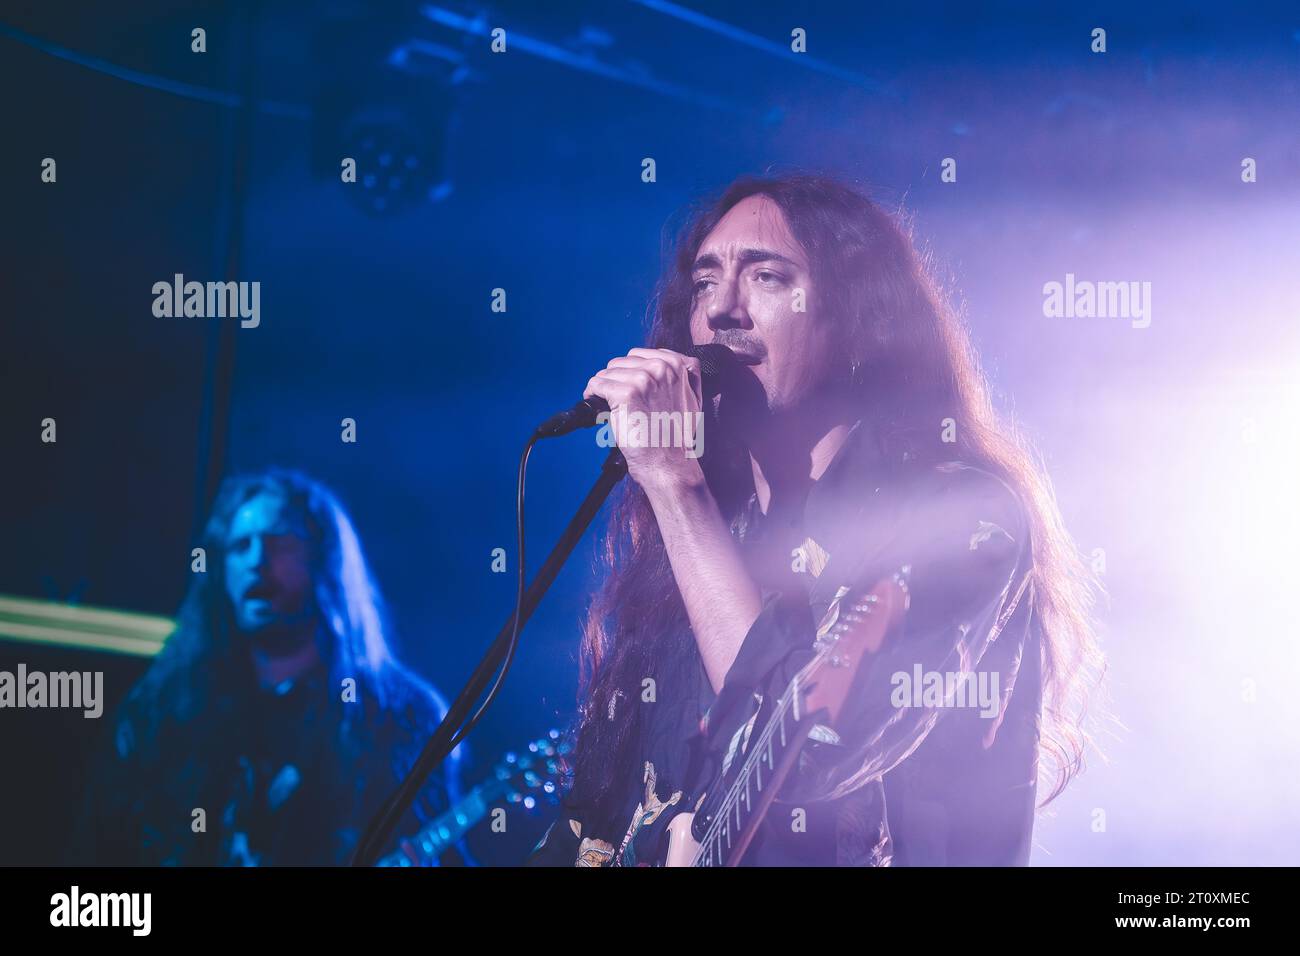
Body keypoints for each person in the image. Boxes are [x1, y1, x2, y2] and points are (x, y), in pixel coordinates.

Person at [529, 172, 1104, 866]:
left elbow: (808, 761)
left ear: (864, 322)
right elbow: (597, 827)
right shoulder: (706, 545)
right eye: (705, 283)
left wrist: (676, 486)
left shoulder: (955, 515)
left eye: (766, 278)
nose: (721, 312)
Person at [73, 468, 464, 865]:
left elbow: (442, 852)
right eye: (240, 546)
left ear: (323, 560)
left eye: (280, 542)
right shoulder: (165, 709)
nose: (258, 561)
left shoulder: (399, 715)